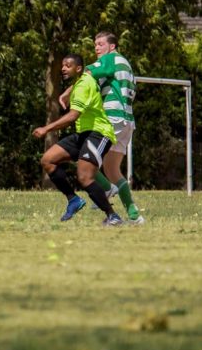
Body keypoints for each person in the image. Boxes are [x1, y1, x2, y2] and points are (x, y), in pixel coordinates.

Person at [60, 32, 143, 224]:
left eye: (100, 44)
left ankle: (106, 189)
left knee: (83, 156)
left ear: (112, 47)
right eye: (95, 45)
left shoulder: (111, 59)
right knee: (113, 170)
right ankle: (134, 216)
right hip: (127, 120)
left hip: (112, 118)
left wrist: (67, 91)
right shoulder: (126, 64)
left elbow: (86, 74)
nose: (96, 48)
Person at [34, 54, 123, 226]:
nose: (63, 68)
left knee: (84, 177)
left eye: (68, 65)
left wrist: (46, 128)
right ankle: (73, 200)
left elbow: (73, 116)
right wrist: (67, 92)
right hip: (83, 134)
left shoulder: (84, 84)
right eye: (63, 66)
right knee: (48, 160)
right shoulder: (79, 83)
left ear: (79, 69)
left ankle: (113, 216)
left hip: (99, 133)